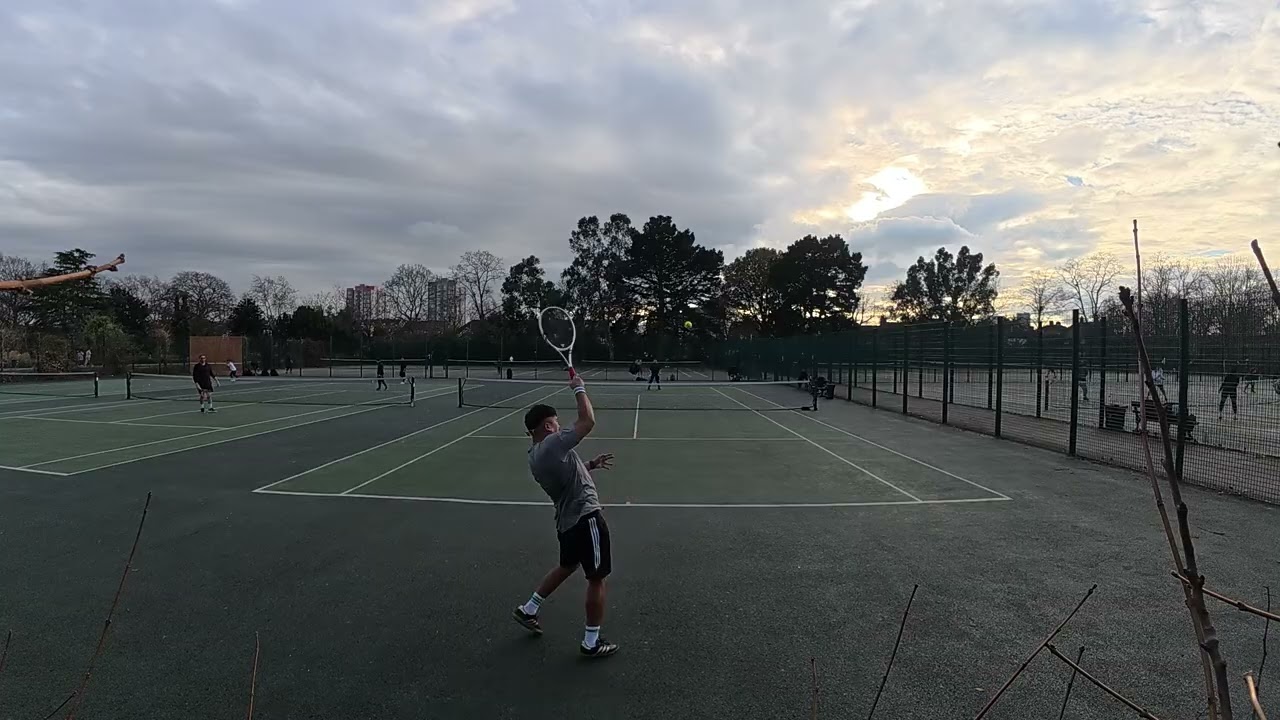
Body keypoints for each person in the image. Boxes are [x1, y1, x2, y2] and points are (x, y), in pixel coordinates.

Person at [512, 374, 619, 658]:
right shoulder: (552, 443)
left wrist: (589, 465)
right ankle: (591, 642)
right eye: (556, 423)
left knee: (567, 565)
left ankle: (529, 608)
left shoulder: (535, 454)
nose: (560, 427)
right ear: (548, 426)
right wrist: (579, 388)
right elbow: (587, 421)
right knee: (597, 577)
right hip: (585, 517)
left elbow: (565, 473)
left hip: (567, 522)